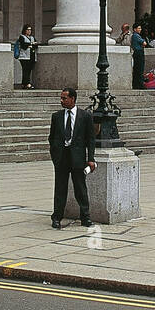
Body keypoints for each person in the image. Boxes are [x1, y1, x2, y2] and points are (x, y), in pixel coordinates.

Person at [48, 87, 95, 229]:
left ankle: (85, 217)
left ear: (73, 99)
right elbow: (52, 137)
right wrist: (55, 154)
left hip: (78, 158)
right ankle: (56, 217)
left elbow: (90, 140)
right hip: (62, 157)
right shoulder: (56, 116)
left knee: (80, 188)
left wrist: (91, 158)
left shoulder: (85, 116)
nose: (61, 101)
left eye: (64, 98)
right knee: (60, 189)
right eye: (61, 98)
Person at [18, 24, 38, 88]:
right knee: (25, 70)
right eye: (28, 29)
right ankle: (27, 83)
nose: (29, 31)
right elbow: (23, 45)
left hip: (32, 56)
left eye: (30, 30)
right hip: (24, 57)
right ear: (25, 30)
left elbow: (36, 45)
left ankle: (24, 84)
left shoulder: (32, 37)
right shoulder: (22, 37)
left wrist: (29, 45)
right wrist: (31, 44)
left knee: (29, 71)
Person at [130, 21, 149, 89]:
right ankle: (140, 85)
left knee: (137, 69)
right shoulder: (136, 35)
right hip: (139, 53)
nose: (140, 29)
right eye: (139, 28)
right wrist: (143, 43)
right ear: (135, 29)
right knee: (139, 69)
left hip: (137, 52)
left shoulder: (134, 36)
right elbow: (144, 43)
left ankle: (137, 84)